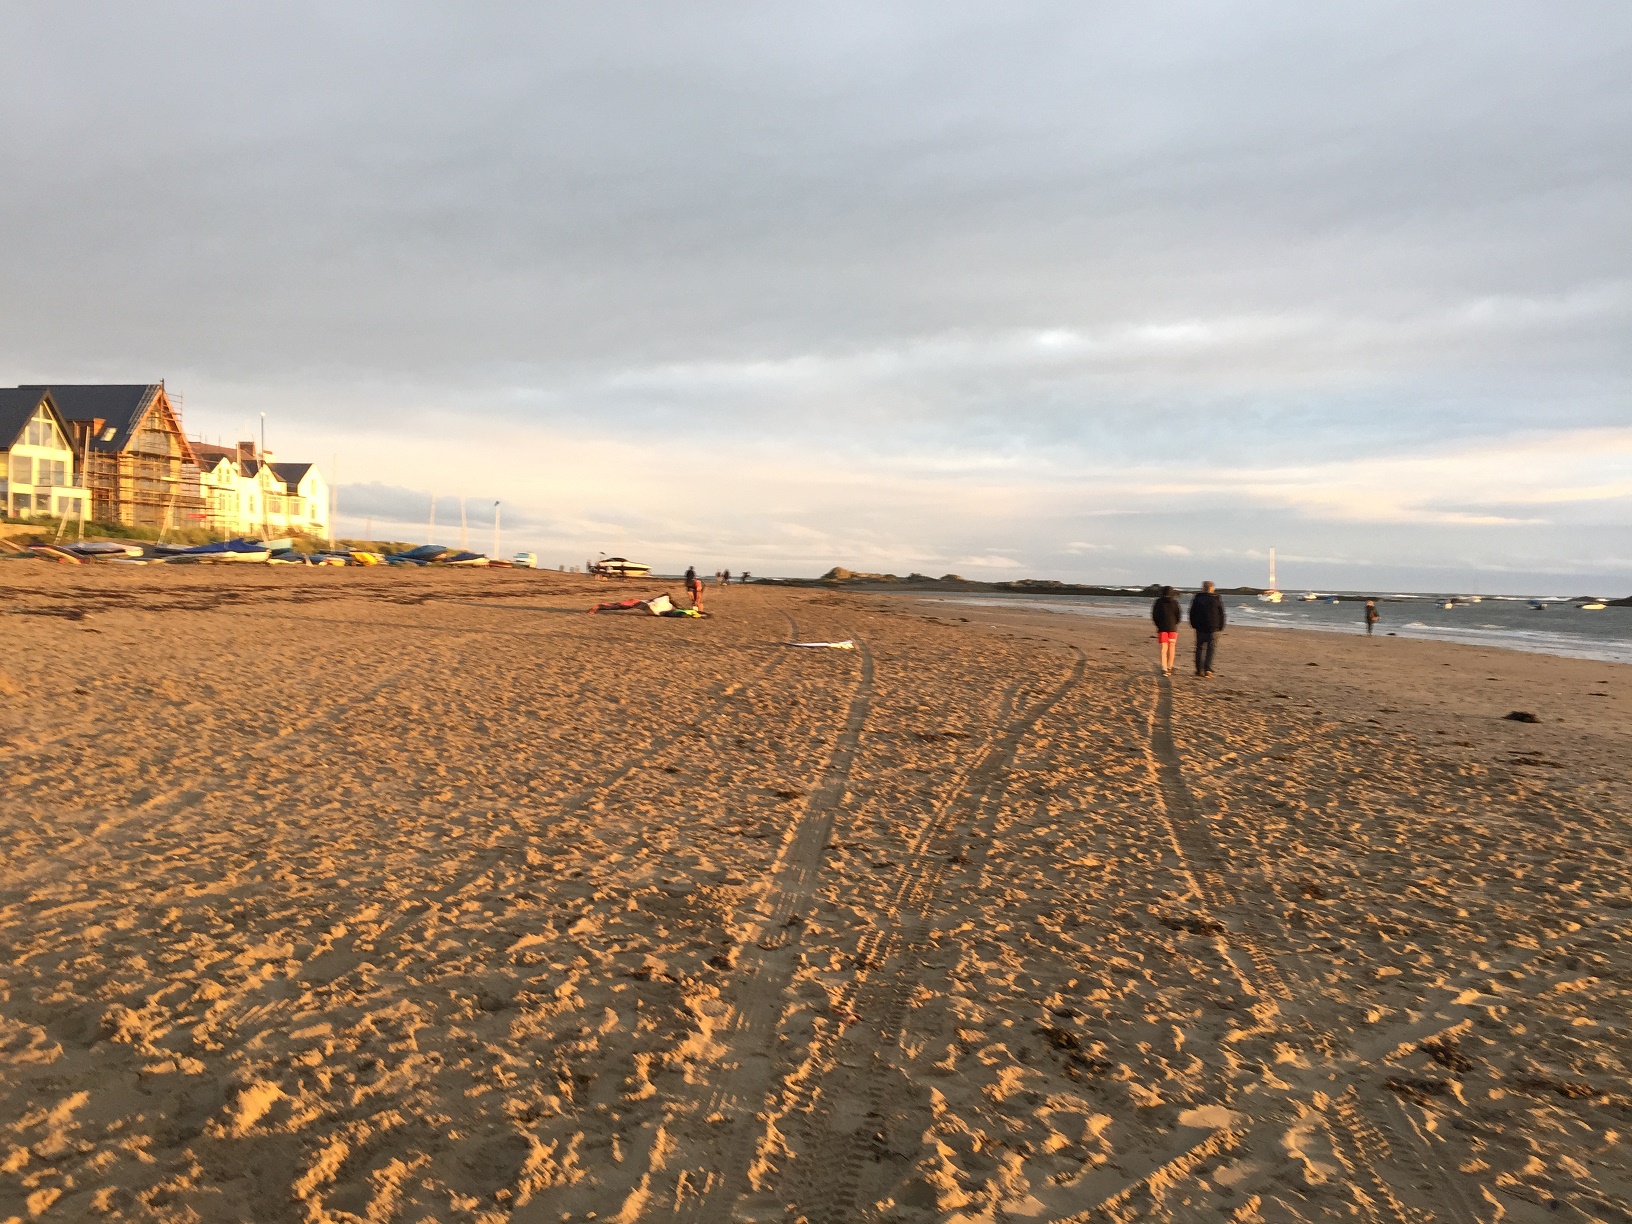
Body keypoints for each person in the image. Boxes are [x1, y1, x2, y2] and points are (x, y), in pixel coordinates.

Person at [1188, 580, 1226, 677]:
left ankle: (1199, 669)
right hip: (1213, 627)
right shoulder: (1216, 599)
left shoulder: (1197, 598)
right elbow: (1221, 614)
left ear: (1203, 588)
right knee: (1210, 649)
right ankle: (1207, 668)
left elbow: (1192, 613)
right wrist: (1221, 625)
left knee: (1199, 648)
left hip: (1201, 627)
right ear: (1212, 589)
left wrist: (1193, 624)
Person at [1151, 585, 1181, 676]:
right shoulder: (1175, 603)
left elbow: (1155, 615)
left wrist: (1158, 624)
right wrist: (1175, 623)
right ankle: (1169, 666)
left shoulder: (1158, 602)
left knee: (1164, 649)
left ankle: (1164, 667)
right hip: (1172, 628)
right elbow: (1178, 615)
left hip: (1162, 628)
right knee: (1171, 648)